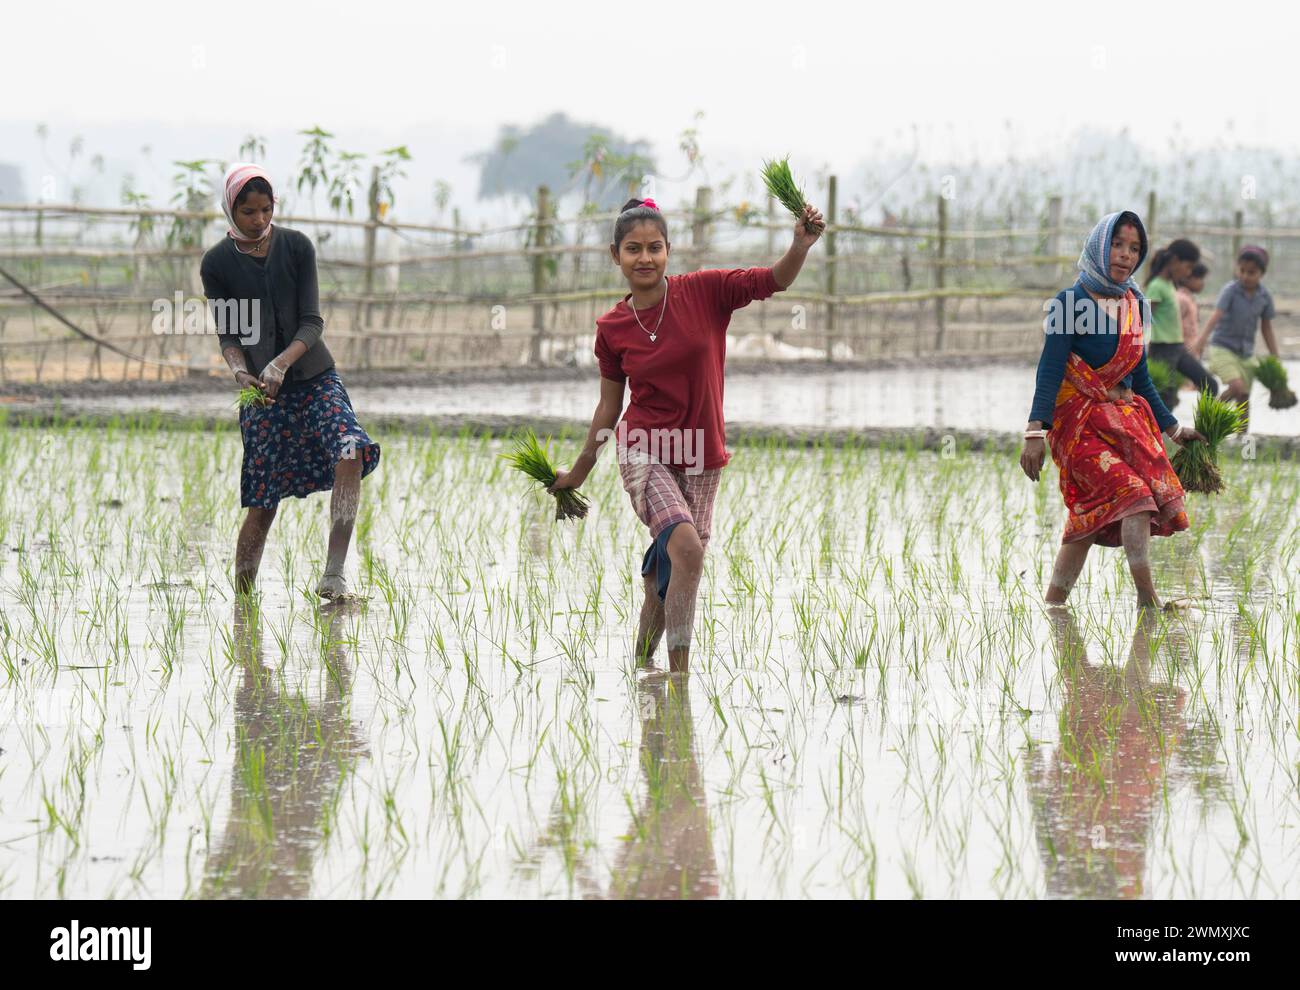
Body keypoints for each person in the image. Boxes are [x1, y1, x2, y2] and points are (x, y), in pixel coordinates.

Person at [550, 196, 824, 673]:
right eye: (633, 249)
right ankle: (680, 681)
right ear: (615, 256)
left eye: (654, 247)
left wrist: (799, 245)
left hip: (701, 454)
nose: (645, 258)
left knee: (671, 567)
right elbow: (609, 408)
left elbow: (773, 280)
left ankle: (641, 666)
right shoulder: (612, 328)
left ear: (669, 251)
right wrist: (578, 471)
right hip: (644, 448)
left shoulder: (706, 291)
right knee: (688, 551)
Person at [200, 163, 380, 599]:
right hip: (260, 395)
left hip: (314, 376)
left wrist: (280, 363)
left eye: (266, 209)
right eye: (248, 211)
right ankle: (243, 604)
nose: (259, 220)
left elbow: (312, 322)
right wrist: (242, 373)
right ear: (231, 210)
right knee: (263, 500)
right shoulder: (218, 264)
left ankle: (334, 575)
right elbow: (229, 334)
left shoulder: (297, 248)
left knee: (349, 449)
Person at [1020, 210, 1204, 609]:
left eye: (1134, 248)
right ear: (1100, 247)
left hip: (1122, 425)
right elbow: (1050, 370)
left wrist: (1174, 430)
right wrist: (1035, 432)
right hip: (1079, 427)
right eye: (1117, 245)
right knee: (1135, 496)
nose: (1124, 255)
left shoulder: (1135, 305)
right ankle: (1148, 600)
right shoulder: (1069, 303)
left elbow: (1140, 381)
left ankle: (1053, 606)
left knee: (1086, 521)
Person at [1192, 245, 1279, 419]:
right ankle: (1208, 416)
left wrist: (1274, 356)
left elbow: (1266, 327)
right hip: (1222, 348)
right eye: (1242, 271)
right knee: (1237, 387)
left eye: (1251, 272)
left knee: (1244, 398)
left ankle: (1243, 439)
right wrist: (1200, 343)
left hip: (1246, 353)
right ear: (1237, 268)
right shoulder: (1230, 290)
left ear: (1262, 273)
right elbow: (1215, 317)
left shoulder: (1264, 296)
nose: (1245, 276)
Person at [1144, 239, 1217, 396]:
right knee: (1165, 398)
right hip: (1162, 350)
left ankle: (1204, 421)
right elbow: (1143, 320)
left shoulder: (1170, 284)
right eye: (1188, 266)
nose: (1189, 272)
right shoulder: (1156, 286)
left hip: (1178, 348)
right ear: (1175, 261)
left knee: (1210, 385)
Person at [1176, 260, 1208, 349]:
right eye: (1199, 278)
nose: (1202, 283)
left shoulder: (1190, 299)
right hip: (1183, 349)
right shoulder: (1181, 299)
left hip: (1190, 349)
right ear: (1186, 278)